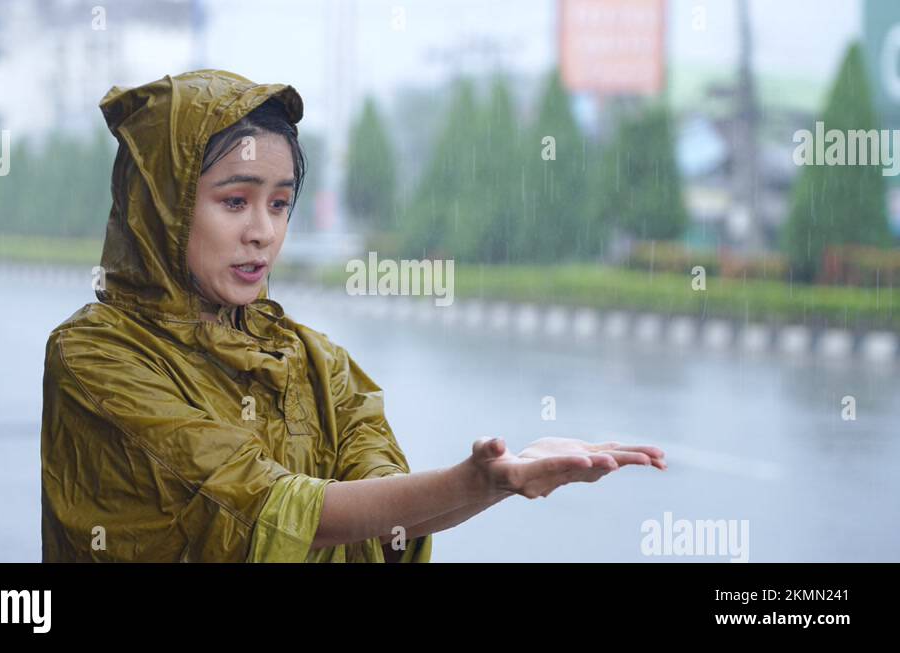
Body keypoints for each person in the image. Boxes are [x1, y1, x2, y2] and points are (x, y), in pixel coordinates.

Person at [40, 69, 667, 563]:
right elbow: (266, 509)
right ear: (162, 207)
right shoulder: (96, 356)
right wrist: (474, 483)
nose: (263, 232)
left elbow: (387, 523)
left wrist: (498, 480)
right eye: (235, 200)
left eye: (280, 203)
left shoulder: (318, 363)